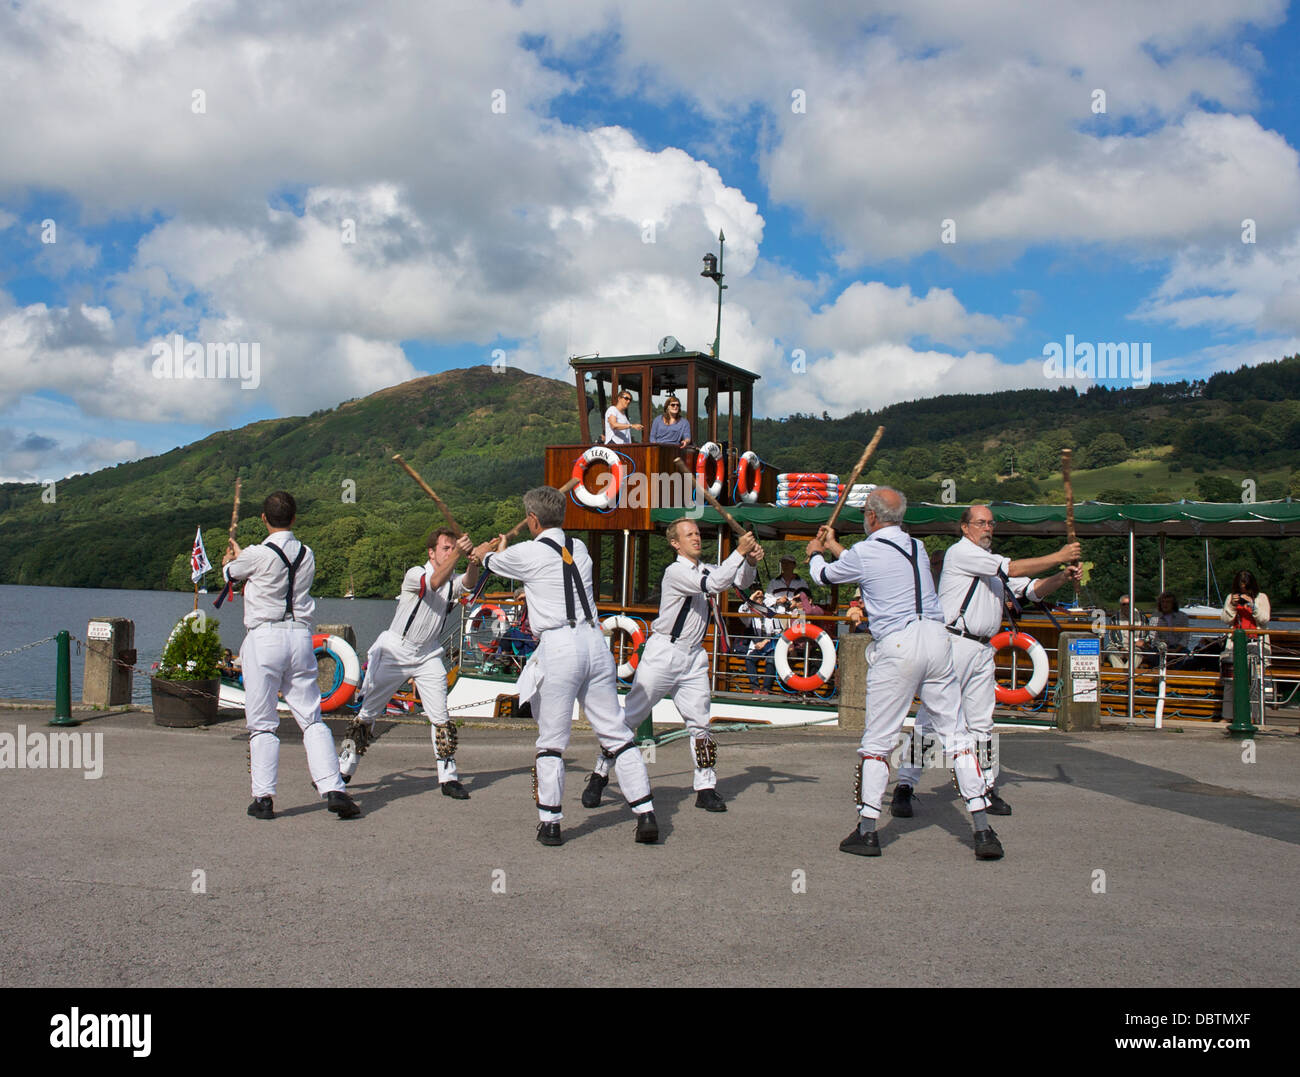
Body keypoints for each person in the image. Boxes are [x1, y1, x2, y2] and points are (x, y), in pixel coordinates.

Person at [807, 487, 1002, 860]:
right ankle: (982, 829)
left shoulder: (865, 552)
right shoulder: (916, 548)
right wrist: (834, 546)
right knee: (957, 735)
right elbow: (867, 565)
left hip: (897, 644)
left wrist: (816, 553)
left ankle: (867, 831)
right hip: (937, 639)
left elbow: (828, 577)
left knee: (878, 741)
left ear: (872, 517)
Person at [471, 486, 658, 846]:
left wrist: (483, 552)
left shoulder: (526, 552)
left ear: (532, 520)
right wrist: (501, 551)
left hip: (559, 646)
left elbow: (491, 563)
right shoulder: (581, 550)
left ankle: (551, 823)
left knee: (552, 741)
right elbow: (529, 561)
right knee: (617, 734)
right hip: (596, 643)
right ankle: (646, 813)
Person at [891, 504, 1080, 818]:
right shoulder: (961, 553)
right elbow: (1014, 570)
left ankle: (984, 787)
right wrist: (1059, 556)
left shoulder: (990, 564)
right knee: (932, 718)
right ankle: (906, 785)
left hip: (982, 648)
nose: (987, 528)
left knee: (982, 721)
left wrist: (1062, 575)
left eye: (991, 523)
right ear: (965, 527)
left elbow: (1032, 590)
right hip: (954, 643)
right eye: (980, 523)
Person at [581, 518, 762, 813]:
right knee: (630, 719)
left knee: (700, 724)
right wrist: (739, 552)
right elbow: (715, 584)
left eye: (697, 533)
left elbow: (736, 582)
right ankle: (600, 773)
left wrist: (750, 562)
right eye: (689, 534)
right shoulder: (675, 572)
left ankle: (705, 787)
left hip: (693, 656)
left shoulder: (705, 568)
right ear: (675, 543)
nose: (696, 538)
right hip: (663, 653)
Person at [221, 490, 360, 821]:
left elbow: (230, 574)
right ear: (295, 518)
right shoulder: (307, 554)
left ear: (264, 519)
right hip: (299, 636)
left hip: (264, 638)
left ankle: (264, 798)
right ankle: (333, 787)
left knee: (263, 723)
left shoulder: (255, 554)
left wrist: (232, 559)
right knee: (311, 717)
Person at [338, 527, 479, 798]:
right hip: (396, 650)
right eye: (445, 548)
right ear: (431, 552)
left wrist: (473, 562)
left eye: (452, 548)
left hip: (428, 654)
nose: (450, 552)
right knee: (368, 714)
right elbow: (434, 583)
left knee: (440, 717)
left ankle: (448, 777)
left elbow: (469, 583)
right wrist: (462, 553)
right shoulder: (416, 574)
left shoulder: (451, 579)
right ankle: (343, 769)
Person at [1220, 570, 1271, 720]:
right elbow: (1225, 619)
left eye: (1246, 589)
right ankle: (1228, 716)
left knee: (1255, 681)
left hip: (1256, 643)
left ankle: (1255, 716)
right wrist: (1232, 606)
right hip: (1234, 643)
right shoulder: (1231, 597)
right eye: (1240, 588)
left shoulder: (1261, 598)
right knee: (1230, 682)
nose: (1243, 592)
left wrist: (1252, 605)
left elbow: (1265, 619)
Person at [740, 586, 780, 693]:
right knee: (749, 660)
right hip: (757, 645)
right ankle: (755, 688)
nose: (759, 598)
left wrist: (766, 641)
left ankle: (766, 689)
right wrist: (751, 598)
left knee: (771, 661)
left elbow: (778, 632)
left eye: (761, 597)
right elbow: (742, 612)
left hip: (771, 644)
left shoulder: (771, 612)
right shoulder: (750, 614)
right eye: (757, 598)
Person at [1105, 595, 1152, 669]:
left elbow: (1147, 635)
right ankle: (1125, 677)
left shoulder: (1143, 618)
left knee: (1137, 653)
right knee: (1111, 652)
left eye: (1129, 604)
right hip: (1119, 647)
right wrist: (1121, 648)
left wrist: (1142, 641)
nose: (1126, 606)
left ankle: (1122, 677)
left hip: (1136, 647)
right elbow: (1112, 637)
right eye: (1124, 604)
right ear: (1120, 606)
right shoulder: (1114, 618)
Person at [1152, 591, 1191, 659]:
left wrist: (1177, 649)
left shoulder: (1182, 616)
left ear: (1173, 604)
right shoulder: (1155, 616)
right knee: (1153, 657)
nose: (1165, 604)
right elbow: (1152, 635)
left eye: (1168, 602)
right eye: (1163, 602)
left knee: (1187, 659)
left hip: (1178, 648)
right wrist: (1161, 646)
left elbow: (1185, 636)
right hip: (1160, 647)